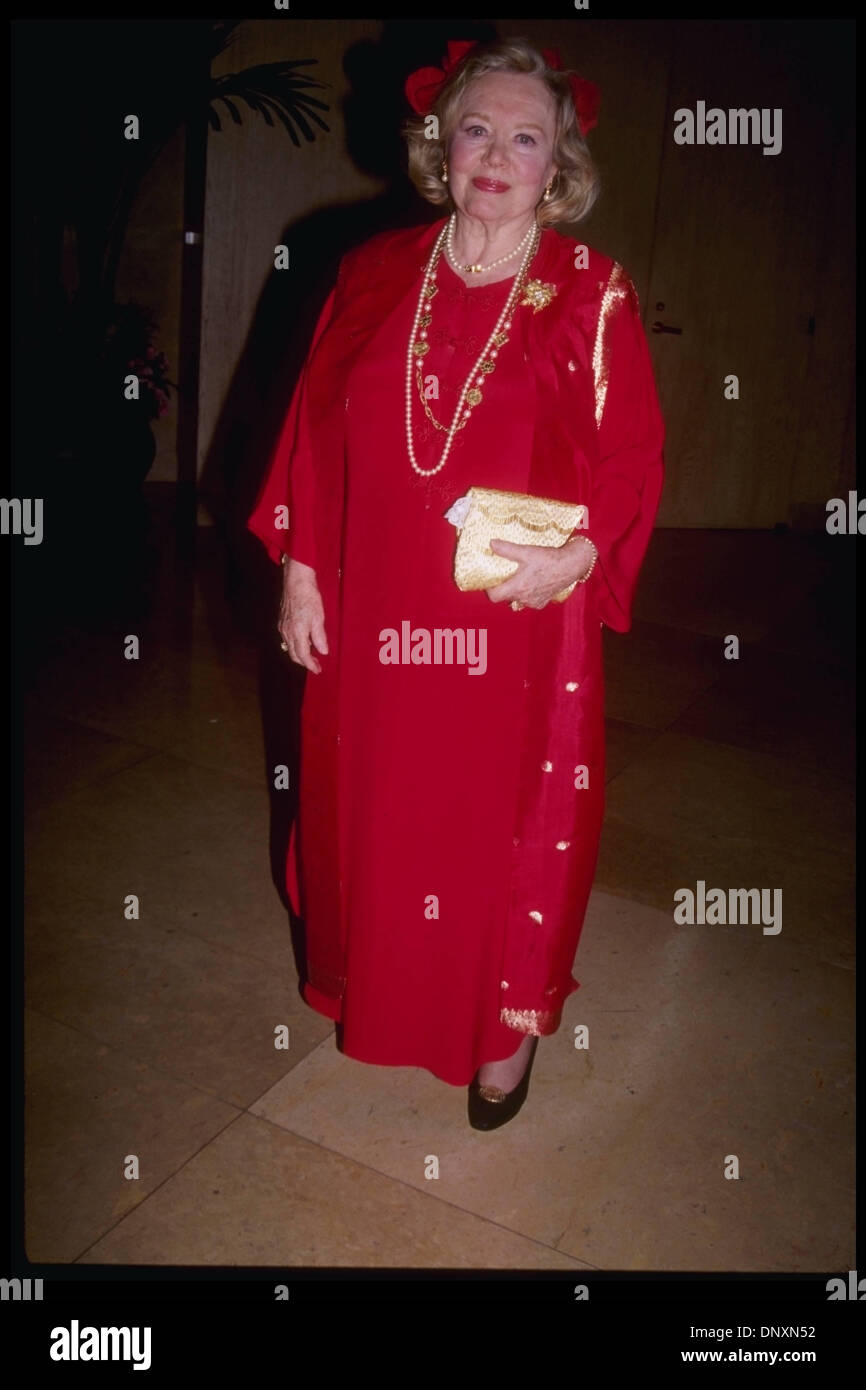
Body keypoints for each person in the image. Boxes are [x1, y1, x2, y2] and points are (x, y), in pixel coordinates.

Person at [247, 36, 665, 1129]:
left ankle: (502, 1027)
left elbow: (631, 459)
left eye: (525, 136)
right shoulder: (372, 267)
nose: (495, 153)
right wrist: (300, 568)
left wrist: (575, 557)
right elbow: (311, 431)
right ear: (439, 140)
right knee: (382, 812)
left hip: (511, 612)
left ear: (557, 163)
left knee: (499, 823)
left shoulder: (590, 292)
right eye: (475, 126)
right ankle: (393, 998)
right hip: (373, 593)